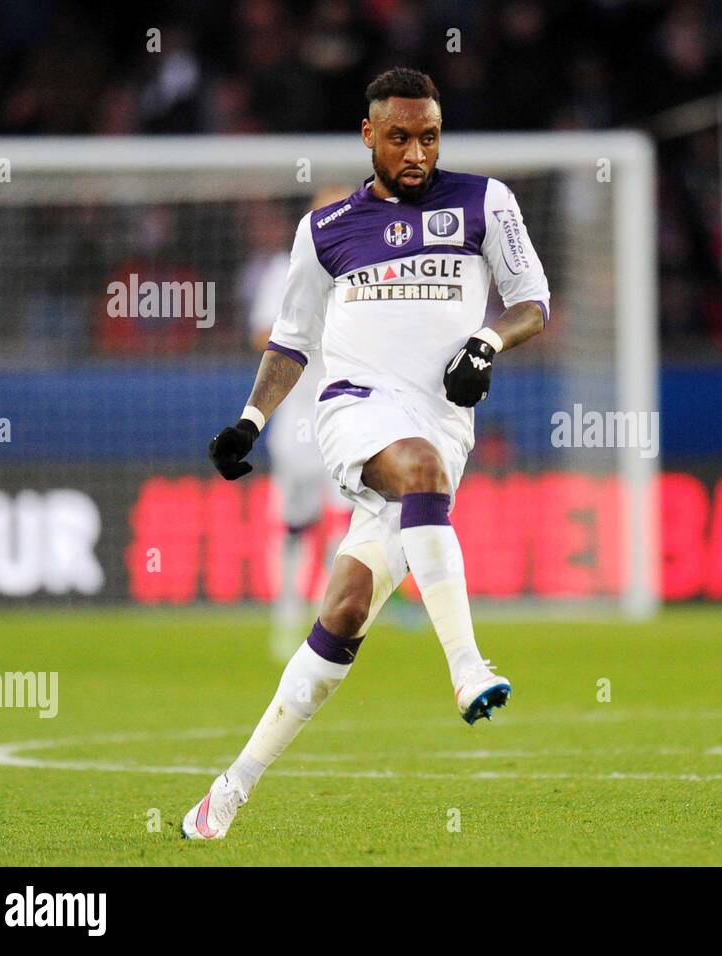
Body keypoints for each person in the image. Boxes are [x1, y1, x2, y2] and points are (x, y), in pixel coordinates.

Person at [182, 67, 550, 840]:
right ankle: (468, 668)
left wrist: (487, 340)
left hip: (442, 424)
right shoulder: (325, 232)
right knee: (419, 468)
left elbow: (532, 303)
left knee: (345, 611)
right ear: (369, 136)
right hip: (353, 413)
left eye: (429, 137)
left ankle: (227, 792)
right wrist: (249, 420)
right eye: (400, 137)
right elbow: (290, 339)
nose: (416, 152)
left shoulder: (486, 203)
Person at [241, 191, 355, 662]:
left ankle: (323, 620)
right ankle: (285, 615)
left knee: (344, 518)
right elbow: (258, 336)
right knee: (294, 519)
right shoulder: (285, 271)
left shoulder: (365, 269)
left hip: (348, 410)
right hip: (298, 411)